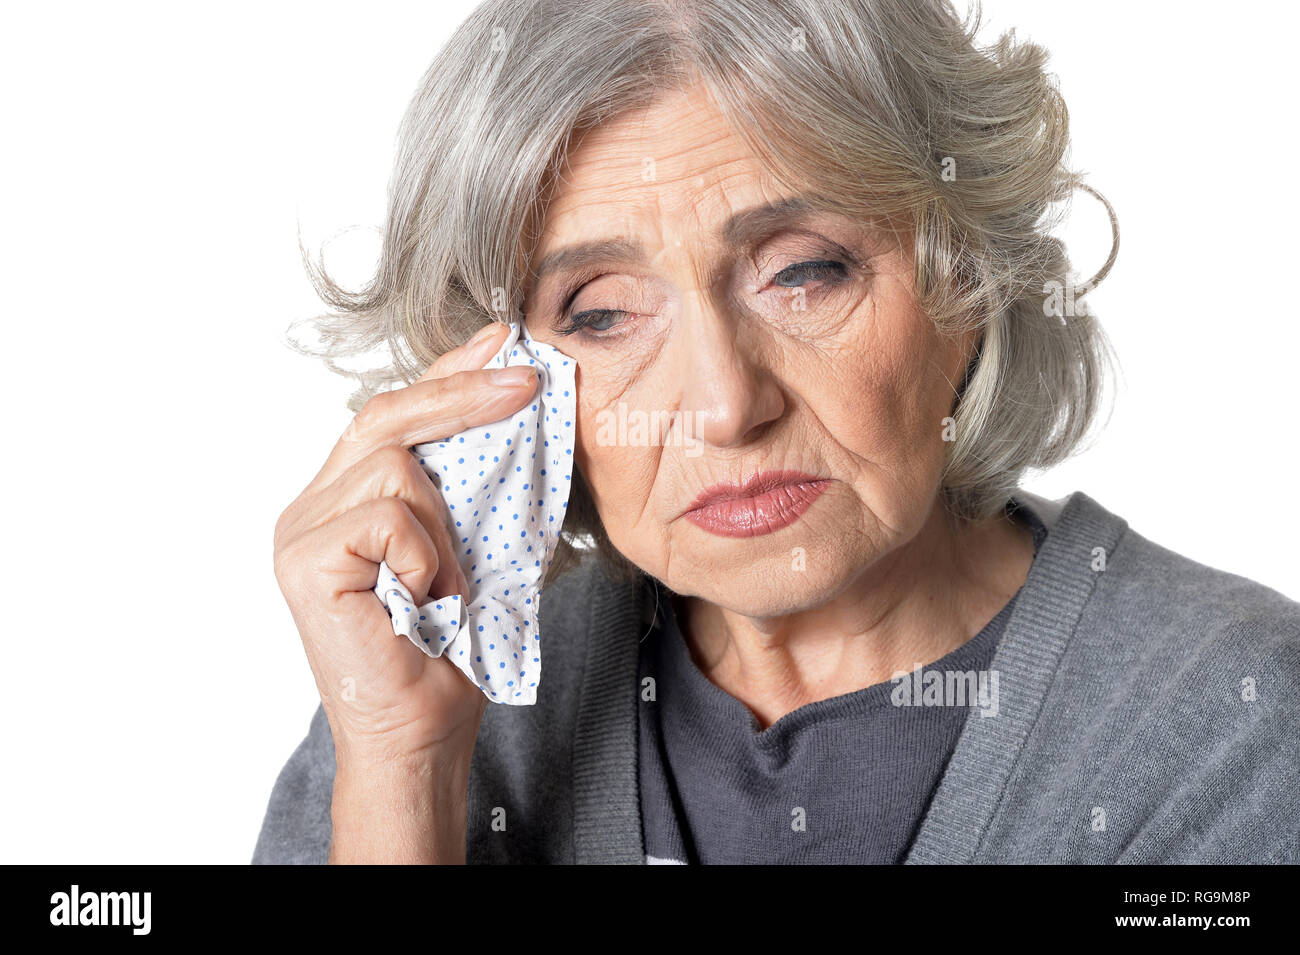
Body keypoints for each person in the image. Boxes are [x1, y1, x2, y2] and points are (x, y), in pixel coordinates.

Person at [254, 0, 1300, 864]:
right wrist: (401, 771)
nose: (721, 405)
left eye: (803, 272)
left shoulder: (1227, 721)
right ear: (495, 378)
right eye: (601, 314)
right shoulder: (434, 699)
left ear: (968, 280)